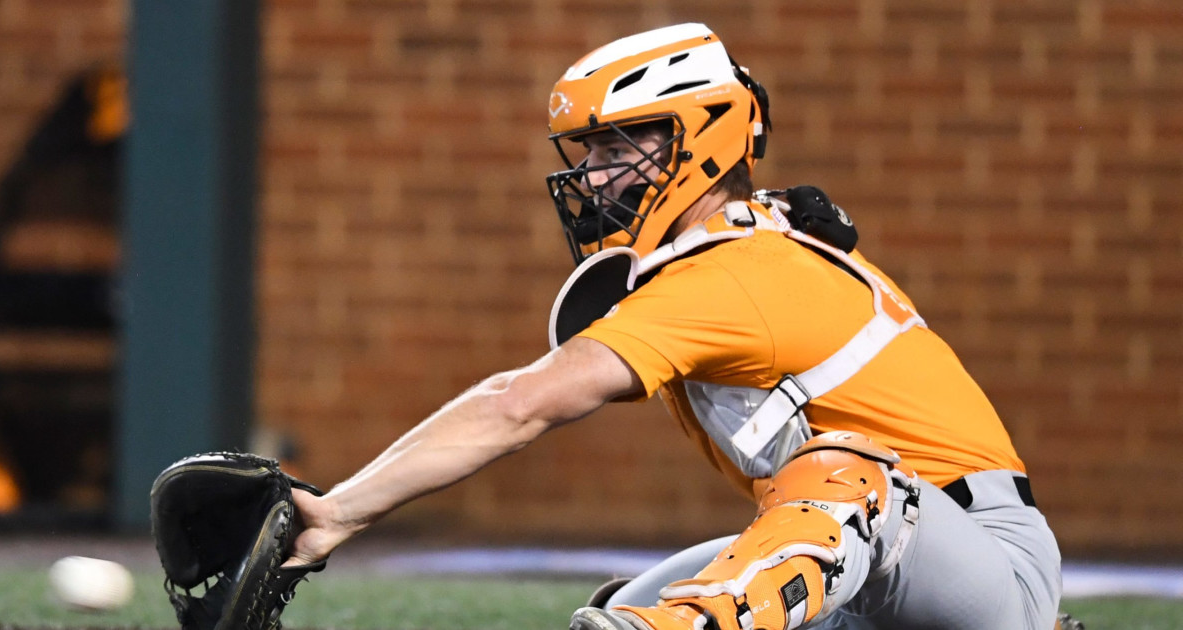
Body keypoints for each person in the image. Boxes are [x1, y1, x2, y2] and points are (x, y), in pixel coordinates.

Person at [285, 23, 1071, 630]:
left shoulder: (734, 272)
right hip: (892, 567)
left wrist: (338, 512)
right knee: (631, 604)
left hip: (980, 559)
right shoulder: (739, 245)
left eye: (619, 145)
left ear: (702, 137)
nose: (593, 174)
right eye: (588, 150)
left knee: (830, 486)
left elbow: (520, 404)